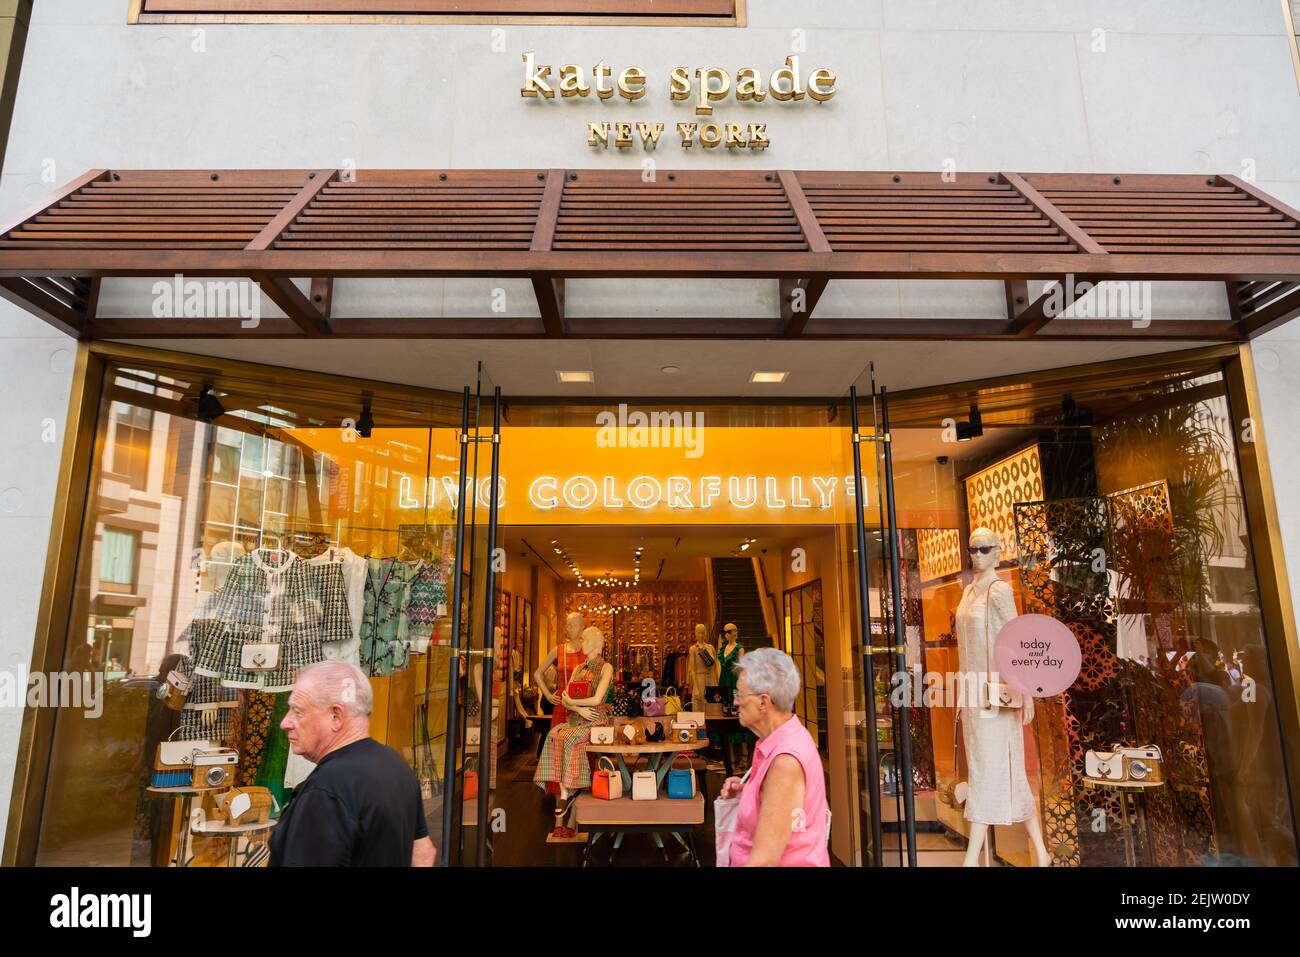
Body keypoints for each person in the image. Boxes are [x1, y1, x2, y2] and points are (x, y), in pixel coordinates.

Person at [269, 660, 435, 866]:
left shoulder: (326, 790)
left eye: (297, 711)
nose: (285, 722)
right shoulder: (395, 764)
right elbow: (423, 854)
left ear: (336, 716)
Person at [717, 648, 829, 867]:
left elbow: (764, 861)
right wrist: (750, 791)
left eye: (740, 695)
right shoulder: (781, 741)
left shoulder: (786, 761)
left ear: (763, 702)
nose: (736, 702)